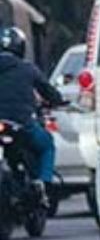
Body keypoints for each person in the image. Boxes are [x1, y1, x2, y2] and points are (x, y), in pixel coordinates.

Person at [0, 26, 64, 202]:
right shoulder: (27, 68)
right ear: (21, 47)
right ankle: (43, 183)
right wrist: (58, 100)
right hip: (22, 123)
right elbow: (48, 91)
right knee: (47, 144)